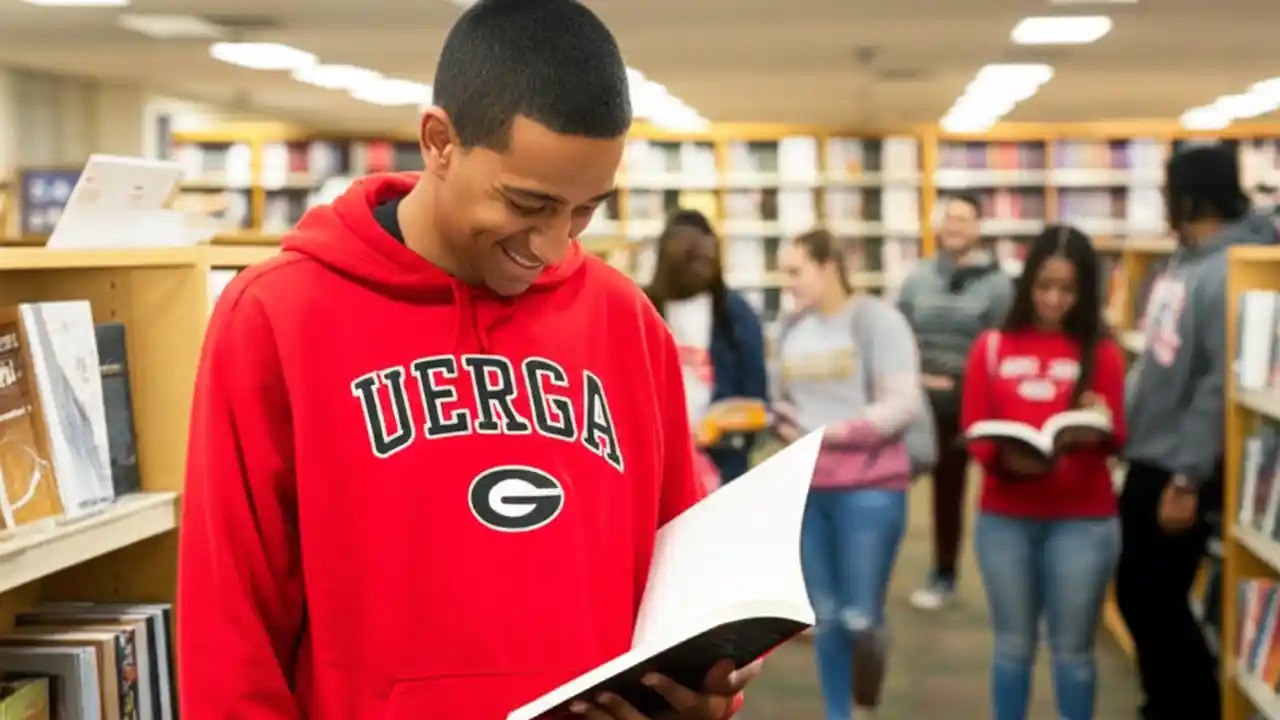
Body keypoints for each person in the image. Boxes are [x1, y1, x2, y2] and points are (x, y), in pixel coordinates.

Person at [175, 1, 761, 717]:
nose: (551, 244)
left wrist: (703, 701)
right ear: (439, 141)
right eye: (527, 202)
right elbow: (230, 627)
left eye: (584, 210)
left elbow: (680, 591)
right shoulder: (275, 315)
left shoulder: (624, 321)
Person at [1118, 144, 1279, 720]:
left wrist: (1187, 477)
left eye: (1167, 192)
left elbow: (1216, 383)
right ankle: (1165, 700)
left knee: (1154, 597)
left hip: (1177, 468)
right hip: (1149, 452)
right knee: (1141, 595)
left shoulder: (1226, 270)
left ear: (1188, 196)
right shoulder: (1182, 262)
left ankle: (1188, 706)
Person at [960, 225, 1126, 720]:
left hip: (1083, 517)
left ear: (1085, 292)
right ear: (1027, 283)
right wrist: (1004, 457)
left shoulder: (1102, 352)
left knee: (1073, 651)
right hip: (1006, 516)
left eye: (1068, 289)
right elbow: (975, 425)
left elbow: (1120, 436)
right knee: (1012, 646)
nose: (1054, 299)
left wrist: (1099, 422)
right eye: (1044, 286)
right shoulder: (992, 346)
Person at [772, 230, 920, 720]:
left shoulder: (877, 321)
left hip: (870, 490)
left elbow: (902, 404)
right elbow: (781, 398)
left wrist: (829, 432)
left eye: (796, 270)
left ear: (828, 266)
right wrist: (782, 421)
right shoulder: (790, 326)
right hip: (809, 488)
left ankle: (866, 704)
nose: (787, 282)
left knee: (862, 617)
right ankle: (839, 713)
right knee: (826, 617)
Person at [896, 193, 1013, 610]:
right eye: (948, 219)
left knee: (950, 490)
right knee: (890, 484)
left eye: (963, 220)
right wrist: (914, 375)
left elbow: (1002, 347)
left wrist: (969, 384)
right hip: (916, 395)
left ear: (978, 228)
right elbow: (900, 331)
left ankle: (944, 571)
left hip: (966, 400)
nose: (954, 227)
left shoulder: (998, 284)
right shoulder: (918, 278)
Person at [645, 209, 768, 484]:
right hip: (659, 457)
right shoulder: (644, 309)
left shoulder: (734, 314)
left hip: (724, 457)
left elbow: (755, 395)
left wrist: (717, 424)